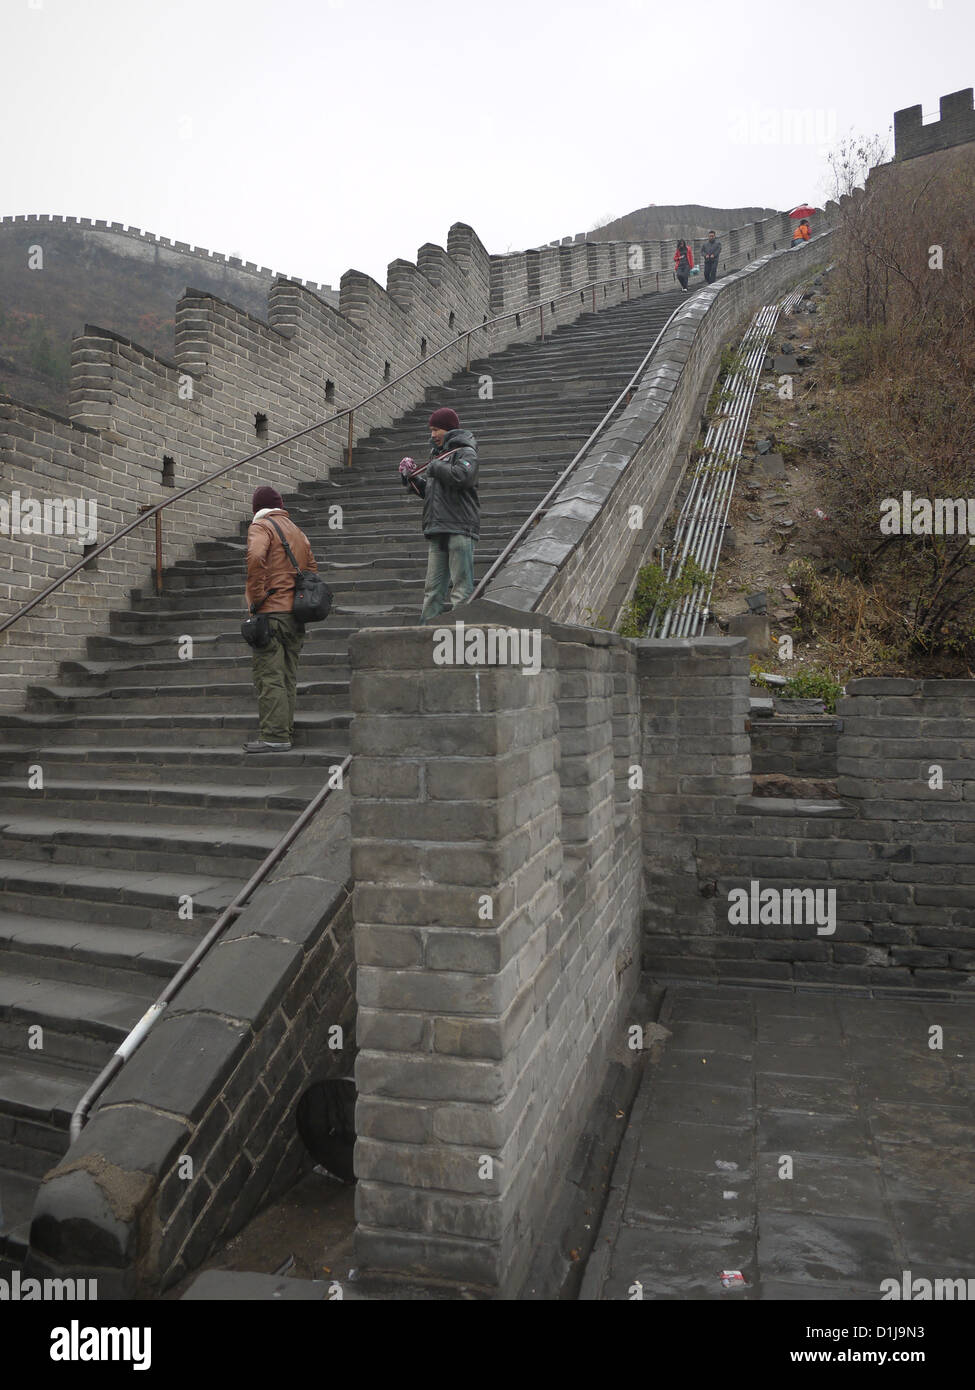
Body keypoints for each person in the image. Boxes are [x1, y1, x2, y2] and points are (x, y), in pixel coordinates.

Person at [243, 484, 317, 752]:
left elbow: (255, 556)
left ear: (257, 508)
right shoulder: (297, 530)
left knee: (269, 675)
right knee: (287, 675)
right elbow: (311, 569)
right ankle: (284, 731)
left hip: (271, 613)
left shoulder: (261, 527)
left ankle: (274, 737)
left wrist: (256, 596)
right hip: (294, 616)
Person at [400, 407, 479, 623]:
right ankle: (426, 635)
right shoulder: (438, 456)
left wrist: (435, 467)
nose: (433, 434)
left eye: (437, 429)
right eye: (431, 430)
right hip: (437, 529)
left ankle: (462, 636)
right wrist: (413, 479)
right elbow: (432, 494)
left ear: (450, 429)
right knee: (432, 590)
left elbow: (464, 476)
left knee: (461, 589)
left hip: (461, 528)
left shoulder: (466, 452)